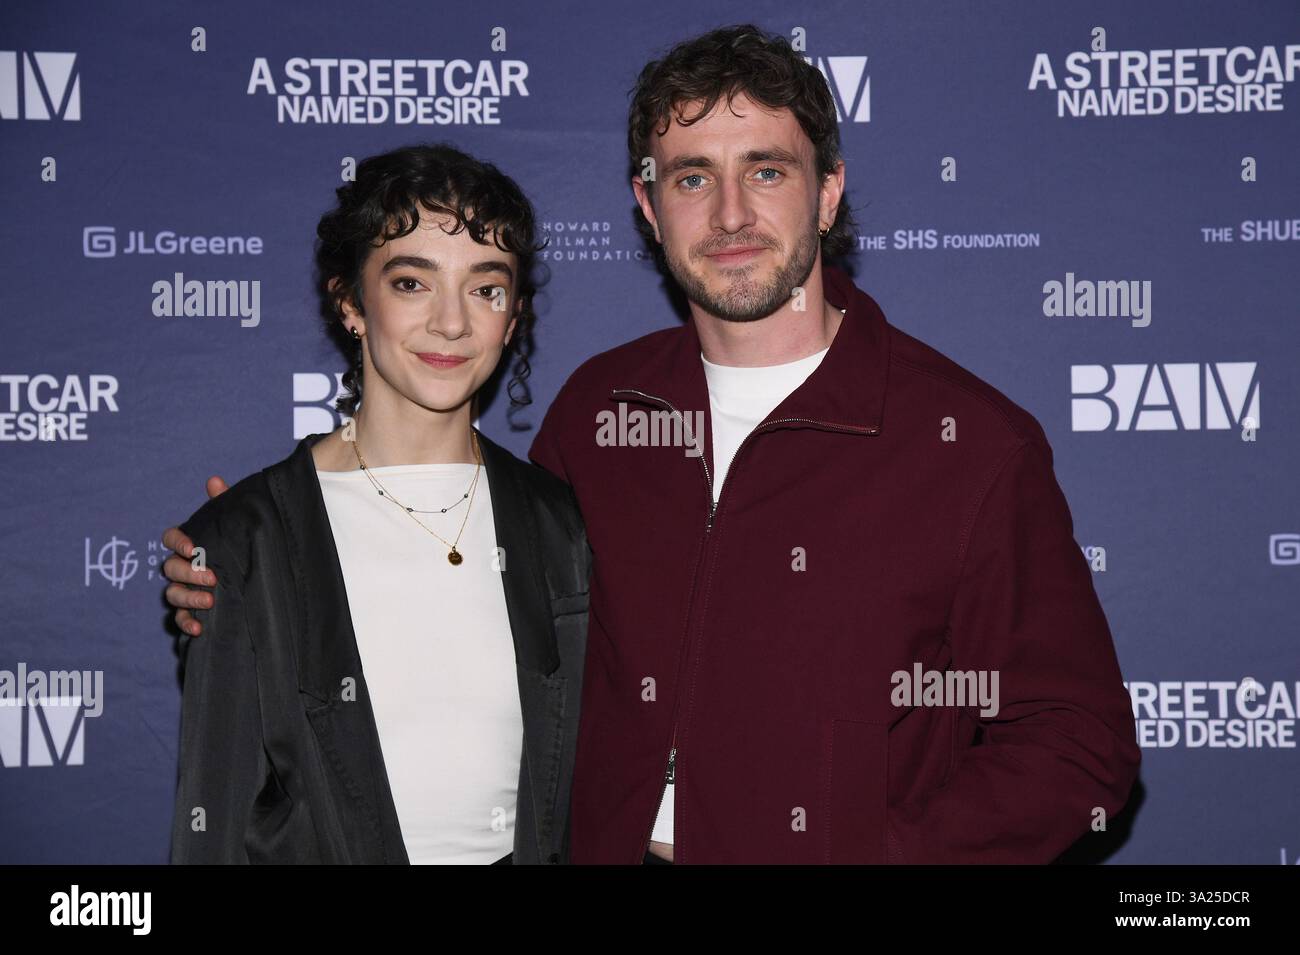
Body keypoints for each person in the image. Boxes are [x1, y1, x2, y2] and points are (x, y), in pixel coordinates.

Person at [167, 25, 1141, 864]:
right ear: (647, 205)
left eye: (765, 170)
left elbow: (1078, 742)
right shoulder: (600, 413)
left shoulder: (966, 442)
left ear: (828, 193)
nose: (728, 214)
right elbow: (483, 618)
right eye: (691, 177)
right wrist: (268, 562)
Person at [165, 143, 590, 864]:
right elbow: (214, 815)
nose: (452, 322)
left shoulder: (560, 525)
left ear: (512, 317)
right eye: (412, 283)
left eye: (485, 288)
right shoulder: (245, 543)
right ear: (351, 303)